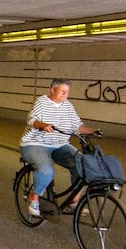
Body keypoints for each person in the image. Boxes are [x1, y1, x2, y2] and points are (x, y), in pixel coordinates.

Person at [19, 78, 100, 217]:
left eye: (67, 92)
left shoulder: (68, 106)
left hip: (59, 145)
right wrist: (42, 125)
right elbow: (32, 120)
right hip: (35, 144)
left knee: (81, 164)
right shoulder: (42, 102)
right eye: (62, 91)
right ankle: (34, 197)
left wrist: (92, 131)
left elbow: (77, 126)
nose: (65, 94)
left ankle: (74, 202)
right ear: (52, 90)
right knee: (47, 170)